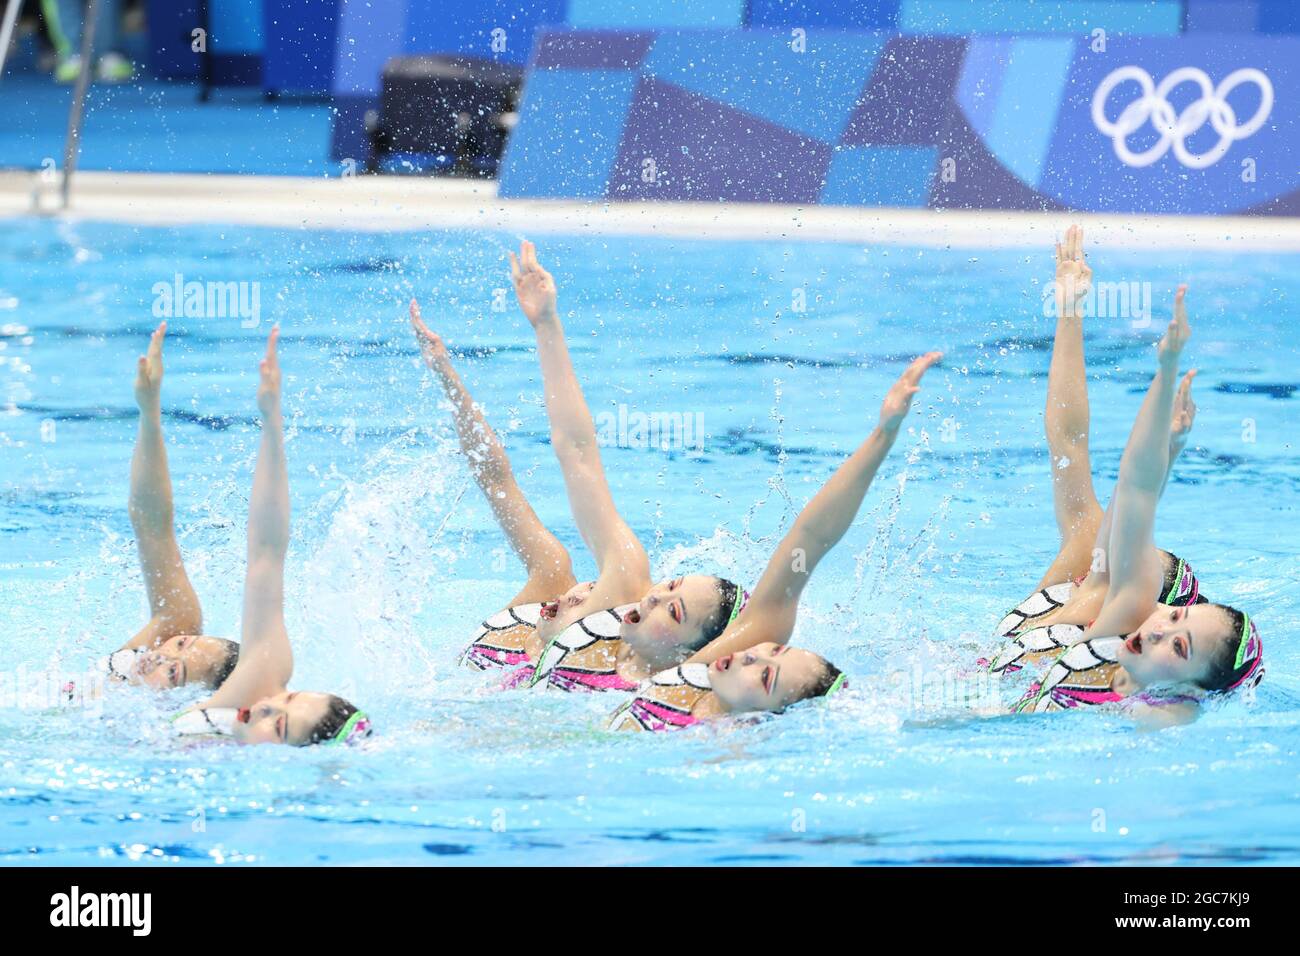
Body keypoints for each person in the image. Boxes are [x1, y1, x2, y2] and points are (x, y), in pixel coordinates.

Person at [611, 352, 941, 731]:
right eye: (772, 649)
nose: (752, 656)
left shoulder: (728, 752)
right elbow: (810, 538)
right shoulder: (694, 676)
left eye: (767, 678)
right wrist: (883, 435)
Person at [1009, 286, 1263, 720]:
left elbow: (1135, 495)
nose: (1161, 626)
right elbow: (1078, 450)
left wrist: (1165, 375)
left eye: (1133, 564)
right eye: (1175, 617)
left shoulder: (1147, 692)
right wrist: (1070, 309)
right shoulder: (1092, 593)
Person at [985, 227, 1203, 679]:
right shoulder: (1082, 560)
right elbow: (1067, 440)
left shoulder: (1112, 650)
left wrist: (1169, 444)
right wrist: (1069, 311)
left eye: (1127, 551)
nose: (1111, 543)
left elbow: (1136, 495)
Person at [173, 328, 370, 746]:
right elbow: (266, 551)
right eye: (289, 697)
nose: (265, 705)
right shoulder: (260, 678)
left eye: (277, 724)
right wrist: (271, 423)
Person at [102, 322, 239, 691]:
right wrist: (149, 415)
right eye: (180, 644)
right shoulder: (177, 621)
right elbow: (150, 522)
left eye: (173, 672)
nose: (158, 655)